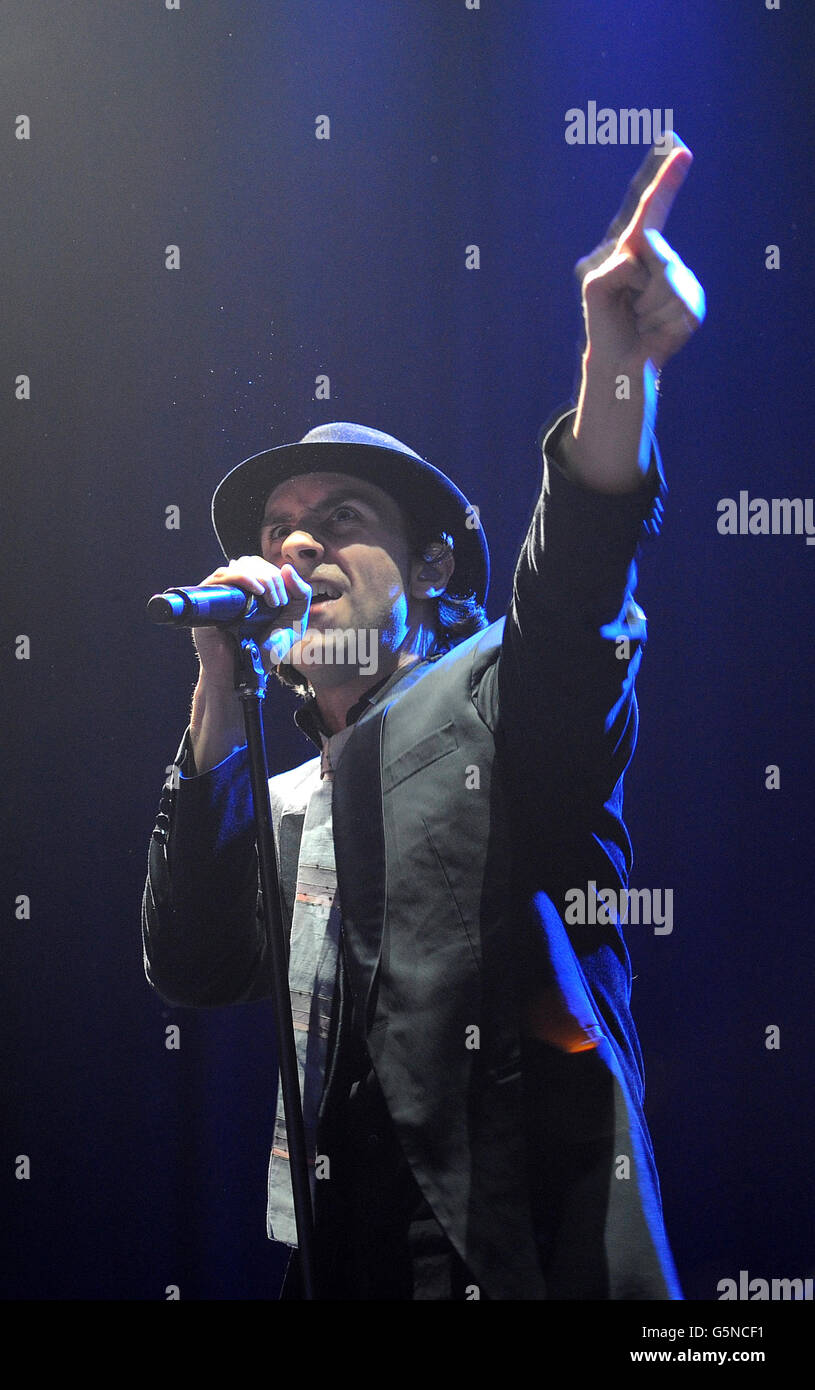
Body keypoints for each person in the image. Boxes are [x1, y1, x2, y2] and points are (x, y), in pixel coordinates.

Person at [142, 139, 704, 1299]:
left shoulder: (495, 699)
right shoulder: (292, 798)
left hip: (519, 1259)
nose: (295, 543)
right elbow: (193, 962)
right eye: (276, 530)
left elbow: (574, 585)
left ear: (432, 565)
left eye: (339, 518)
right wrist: (214, 679)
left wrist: (614, 371)